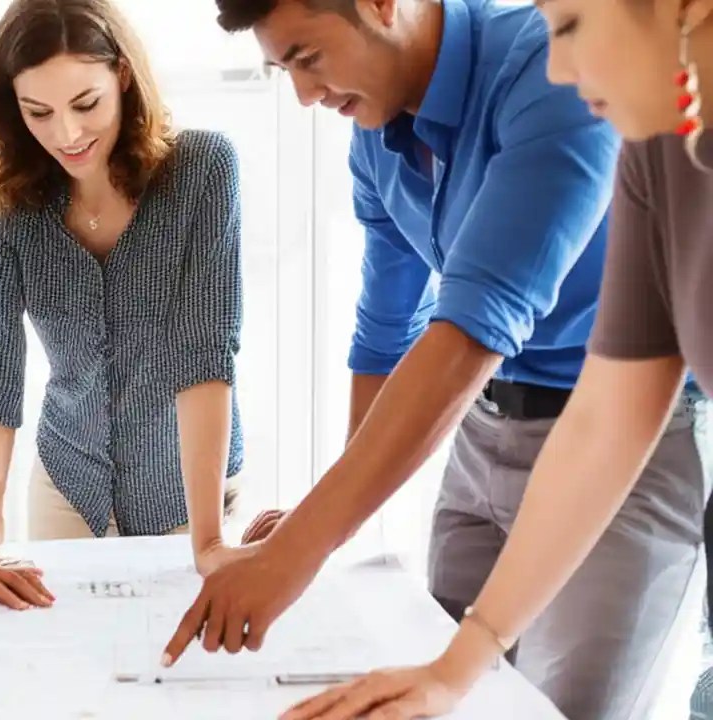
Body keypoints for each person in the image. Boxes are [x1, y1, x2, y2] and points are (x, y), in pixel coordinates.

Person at [163, 0, 711, 718]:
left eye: (572, 25)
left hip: (627, 475)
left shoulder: (568, 98)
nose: (560, 63)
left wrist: (301, 548)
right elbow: (605, 412)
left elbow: (476, 326)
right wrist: (454, 663)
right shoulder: (656, 146)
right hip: (507, 438)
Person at [0, 0, 249, 576]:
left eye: (85, 104)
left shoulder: (204, 170)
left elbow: (205, 357)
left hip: (190, 488)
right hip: (68, 486)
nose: (65, 134)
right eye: (37, 112)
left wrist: (211, 541)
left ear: (121, 74)